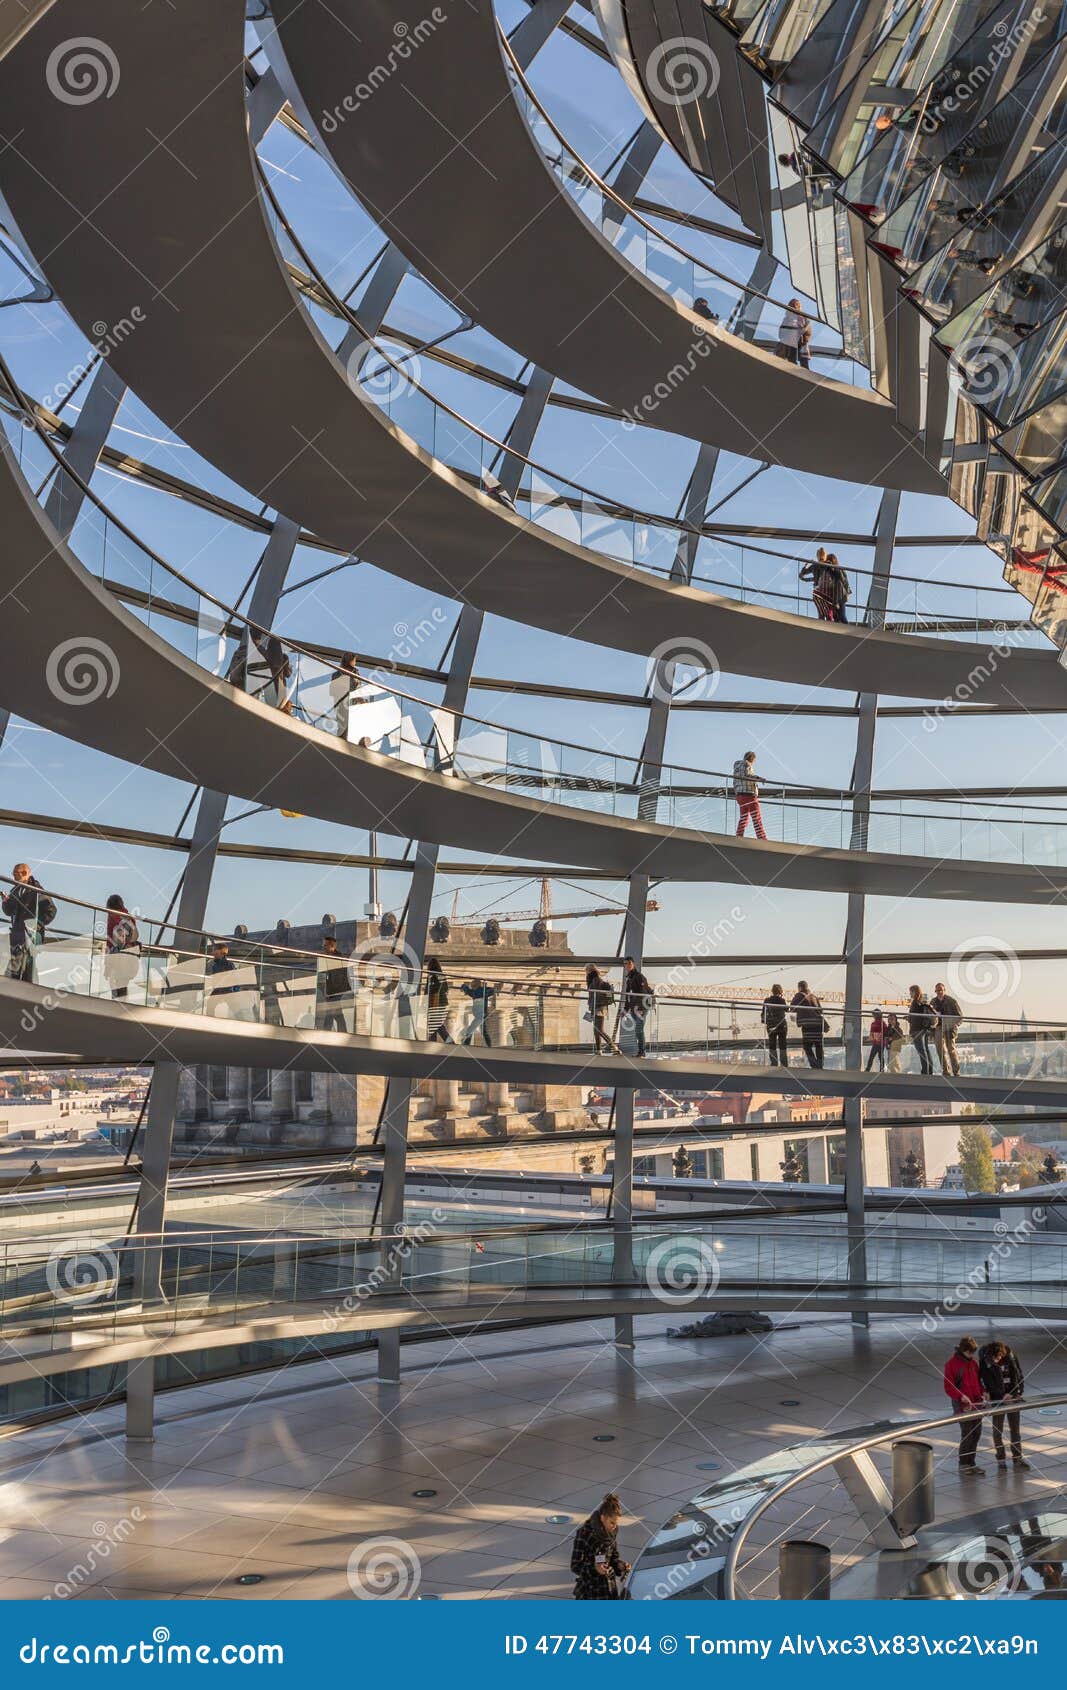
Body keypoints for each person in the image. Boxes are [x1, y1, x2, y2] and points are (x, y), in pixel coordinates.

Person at [979, 1340, 1030, 1471]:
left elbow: (1017, 1376)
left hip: (1012, 1397)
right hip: (997, 1399)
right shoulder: (985, 1360)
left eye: (999, 1357)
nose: (996, 1360)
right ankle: (1001, 1459)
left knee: (1015, 1430)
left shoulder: (1010, 1357)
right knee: (997, 1431)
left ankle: (1017, 1458)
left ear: (1003, 1354)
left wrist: (1013, 1393)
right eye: (994, 1358)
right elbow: (985, 1379)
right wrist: (992, 1394)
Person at [570, 1493, 630, 1599]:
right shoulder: (584, 1533)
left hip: (608, 1589)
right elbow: (575, 1565)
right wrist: (594, 1568)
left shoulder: (612, 1534)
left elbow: (613, 1559)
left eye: (616, 1523)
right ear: (602, 1518)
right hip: (589, 1591)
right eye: (612, 1523)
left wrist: (620, 1565)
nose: (614, 1527)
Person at [3, 865, 54, 985]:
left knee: (27, 964)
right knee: (20, 962)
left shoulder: (36, 890)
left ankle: (25, 990)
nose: (13, 876)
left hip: (30, 933)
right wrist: (5, 901)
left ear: (24, 873)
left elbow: (51, 910)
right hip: (18, 932)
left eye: (15, 874)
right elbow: (8, 912)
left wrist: (35, 926)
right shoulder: (16, 890)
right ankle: (18, 989)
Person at [943, 1336, 987, 1475]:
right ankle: (963, 1464)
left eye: (973, 1353)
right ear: (963, 1350)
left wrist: (983, 1392)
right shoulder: (951, 1365)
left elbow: (978, 1383)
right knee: (967, 1434)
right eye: (970, 1353)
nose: (972, 1355)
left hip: (976, 1404)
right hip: (962, 1405)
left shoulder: (973, 1364)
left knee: (976, 1433)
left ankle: (971, 1462)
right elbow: (948, 1387)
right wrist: (961, 1396)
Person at [103, 894, 140, 1000]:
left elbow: (111, 943)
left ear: (109, 906)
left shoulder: (112, 916)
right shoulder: (129, 917)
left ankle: (116, 1011)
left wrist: (107, 966)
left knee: (115, 988)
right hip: (131, 956)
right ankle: (123, 1010)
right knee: (122, 987)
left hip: (118, 957)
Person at [799, 548, 849, 622]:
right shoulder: (829, 565)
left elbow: (801, 576)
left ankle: (825, 624)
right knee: (836, 615)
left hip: (818, 592)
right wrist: (847, 593)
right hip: (830, 593)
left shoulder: (814, 565)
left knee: (823, 614)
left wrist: (806, 565)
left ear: (817, 556)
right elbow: (841, 579)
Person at [315, 936, 350, 1033]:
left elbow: (339, 977)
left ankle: (326, 1032)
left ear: (332, 946)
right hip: (332, 989)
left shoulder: (338, 958)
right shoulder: (329, 956)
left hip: (337, 989)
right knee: (337, 1012)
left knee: (330, 1011)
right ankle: (342, 1032)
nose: (323, 947)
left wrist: (330, 993)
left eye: (325, 945)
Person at [791, 980, 826, 1068]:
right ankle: (820, 1065)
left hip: (807, 1024)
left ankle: (813, 1064)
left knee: (807, 1046)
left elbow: (792, 1008)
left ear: (799, 988)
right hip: (818, 1024)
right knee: (819, 1045)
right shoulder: (813, 996)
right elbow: (820, 1010)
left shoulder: (799, 996)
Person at [931, 980, 963, 1076]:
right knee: (940, 1051)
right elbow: (930, 1016)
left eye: (941, 990)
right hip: (938, 1027)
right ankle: (946, 1071)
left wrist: (954, 1025)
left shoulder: (951, 1001)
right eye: (937, 990)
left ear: (944, 990)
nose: (939, 992)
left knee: (951, 1050)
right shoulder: (933, 1002)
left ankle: (956, 1072)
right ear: (935, 991)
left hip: (949, 1027)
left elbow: (960, 1016)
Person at [622, 958, 653, 1058]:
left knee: (639, 1029)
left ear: (633, 964)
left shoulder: (639, 976)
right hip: (634, 1007)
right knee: (637, 1030)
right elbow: (628, 995)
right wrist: (625, 1009)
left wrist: (639, 1008)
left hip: (641, 1008)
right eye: (625, 964)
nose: (627, 965)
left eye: (629, 963)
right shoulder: (629, 978)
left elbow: (643, 993)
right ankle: (640, 1052)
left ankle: (642, 1052)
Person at [732, 750, 767, 840]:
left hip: (740, 796)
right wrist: (759, 778)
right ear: (752, 759)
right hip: (749, 796)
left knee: (744, 817)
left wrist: (737, 795)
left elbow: (735, 782)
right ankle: (762, 839)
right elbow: (747, 775)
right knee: (756, 818)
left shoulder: (736, 767)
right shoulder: (747, 764)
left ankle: (739, 836)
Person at [586, 964, 619, 1055]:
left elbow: (595, 995)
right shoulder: (594, 980)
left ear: (590, 971)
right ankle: (599, 1050)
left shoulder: (595, 980)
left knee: (599, 1030)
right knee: (596, 1030)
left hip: (598, 1008)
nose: (586, 972)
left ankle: (614, 1047)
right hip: (597, 1007)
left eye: (586, 970)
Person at [908, 984, 938, 1075]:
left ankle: (925, 1071)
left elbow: (914, 1017)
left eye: (911, 991)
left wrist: (909, 1018)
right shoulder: (920, 1003)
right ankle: (929, 1071)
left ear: (914, 992)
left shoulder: (915, 1003)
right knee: (926, 1050)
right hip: (923, 1030)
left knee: (921, 1051)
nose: (910, 994)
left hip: (917, 1030)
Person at [329, 651, 360, 740]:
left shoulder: (356, 674)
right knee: (343, 726)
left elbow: (358, 690)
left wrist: (360, 699)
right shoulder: (337, 674)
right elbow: (332, 691)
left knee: (352, 727)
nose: (355, 663)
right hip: (342, 704)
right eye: (354, 660)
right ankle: (341, 742)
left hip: (353, 705)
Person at [206, 940, 238, 1016]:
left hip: (227, 990)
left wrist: (235, 991)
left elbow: (235, 979)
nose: (213, 953)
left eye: (215, 951)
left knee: (235, 1007)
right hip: (219, 990)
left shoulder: (229, 965)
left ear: (222, 953)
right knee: (210, 1004)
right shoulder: (214, 965)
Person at [461, 978, 496, 1046]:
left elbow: (467, 990)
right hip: (481, 1013)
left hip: (480, 1014)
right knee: (483, 1030)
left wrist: (463, 986)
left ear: (475, 985)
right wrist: (486, 988)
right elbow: (492, 990)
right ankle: (489, 1045)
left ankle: (466, 1043)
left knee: (472, 1028)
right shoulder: (481, 991)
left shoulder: (475, 992)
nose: (471, 985)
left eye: (472, 984)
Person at [761, 983, 789, 1066]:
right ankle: (784, 1064)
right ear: (780, 991)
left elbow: (763, 1012)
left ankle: (774, 1063)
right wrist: (782, 997)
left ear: (772, 991)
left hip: (770, 1025)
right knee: (782, 1044)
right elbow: (787, 1009)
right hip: (781, 1025)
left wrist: (765, 1021)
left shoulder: (767, 1000)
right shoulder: (781, 1000)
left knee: (772, 1044)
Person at [424, 954, 449, 1039]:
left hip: (434, 1002)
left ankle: (447, 1041)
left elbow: (427, 990)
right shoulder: (441, 975)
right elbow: (445, 988)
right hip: (442, 1003)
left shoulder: (431, 976)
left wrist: (423, 1001)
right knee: (435, 1023)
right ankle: (436, 1040)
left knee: (434, 1023)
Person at [778, 297, 809, 364]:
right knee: (787, 360)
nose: (794, 306)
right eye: (792, 305)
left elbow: (807, 332)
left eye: (796, 305)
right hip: (788, 341)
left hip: (800, 342)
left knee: (803, 362)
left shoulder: (804, 318)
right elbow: (781, 333)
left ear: (799, 307)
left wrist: (802, 338)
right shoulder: (787, 318)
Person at [866, 1007, 887, 1071]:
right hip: (881, 1042)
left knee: (872, 1056)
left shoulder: (874, 1023)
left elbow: (872, 1034)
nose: (873, 1016)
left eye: (873, 1015)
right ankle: (881, 1069)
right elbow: (885, 1032)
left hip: (876, 1042)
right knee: (880, 1057)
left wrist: (869, 1039)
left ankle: (868, 1069)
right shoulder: (883, 1023)